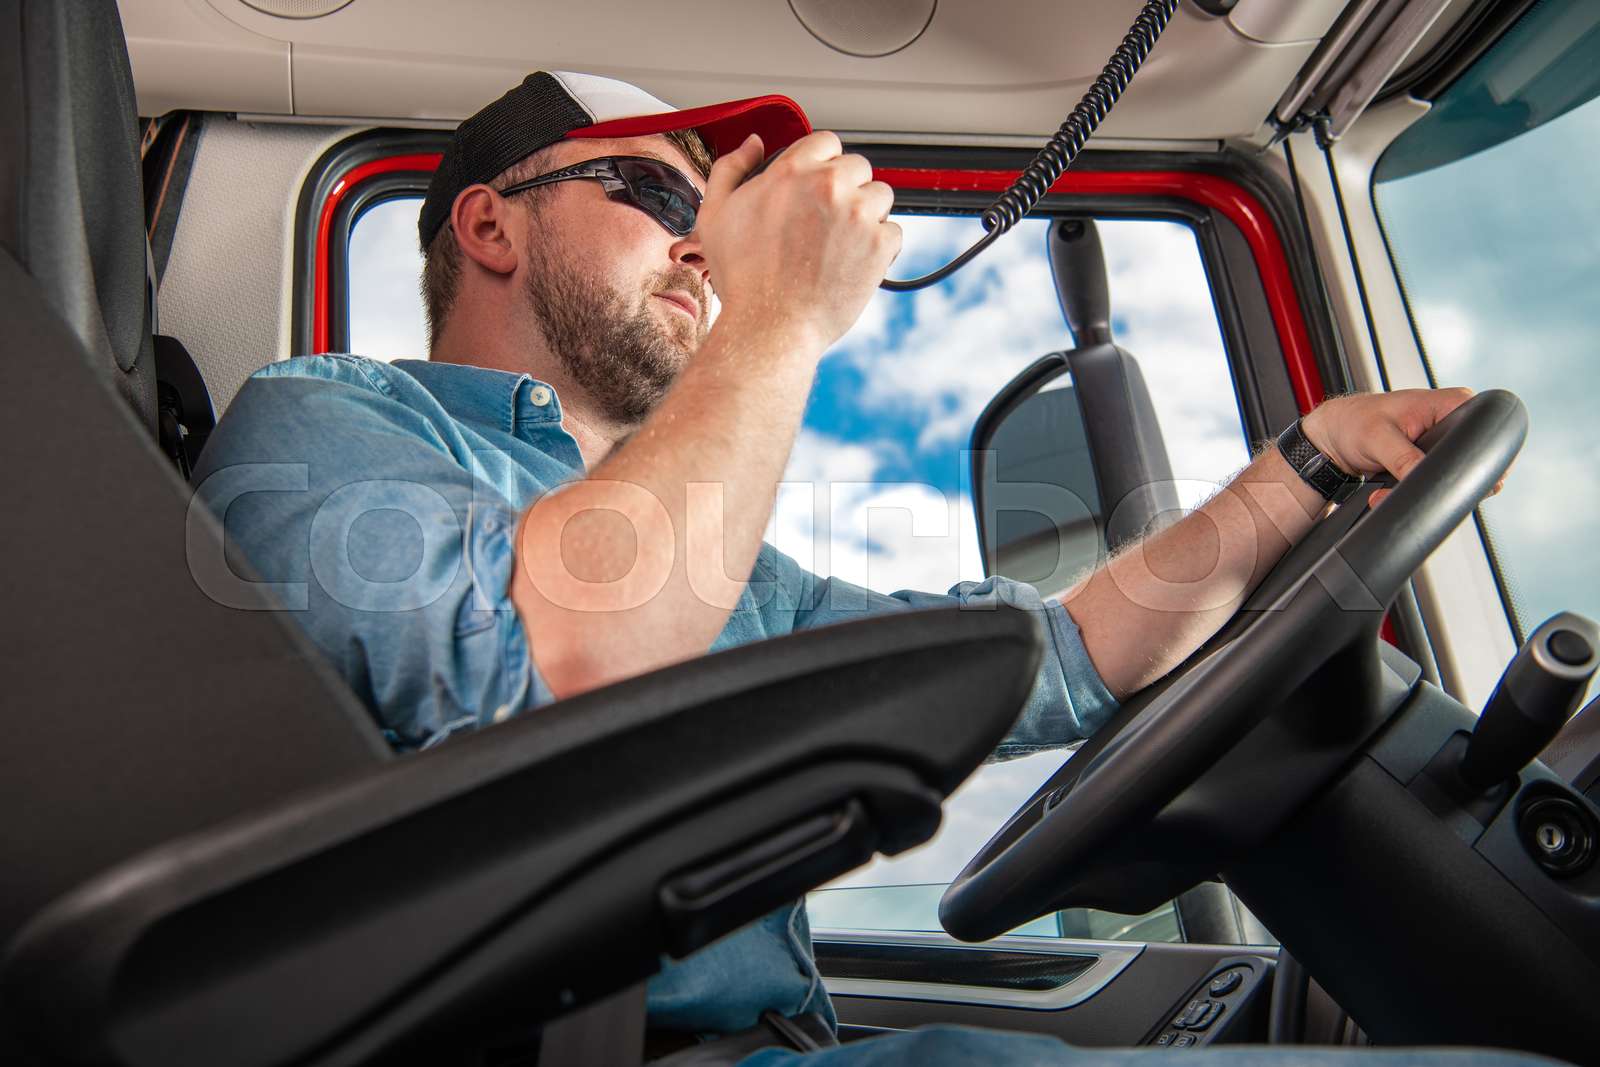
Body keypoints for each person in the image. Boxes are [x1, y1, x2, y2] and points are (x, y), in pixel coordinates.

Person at [191, 72, 1515, 1064]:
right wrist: (778, 319)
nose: (703, 248)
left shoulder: (722, 563)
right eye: (661, 198)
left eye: (716, 218)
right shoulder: (334, 417)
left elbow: (1053, 659)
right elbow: (557, 666)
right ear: (492, 227)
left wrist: (1304, 464)